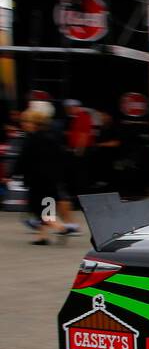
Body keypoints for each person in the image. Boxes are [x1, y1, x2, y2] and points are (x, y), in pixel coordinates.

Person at [15, 101, 79, 244]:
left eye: (26, 121)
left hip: (38, 181)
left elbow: (23, 160)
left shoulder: (31, 140)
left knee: (39, 209)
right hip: (52, 181)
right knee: (46, 208)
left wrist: (14, 173)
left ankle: (62, 228)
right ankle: (42, 237)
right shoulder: (51, 137)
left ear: (34, 123)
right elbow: (61, 158)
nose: (23, 124)